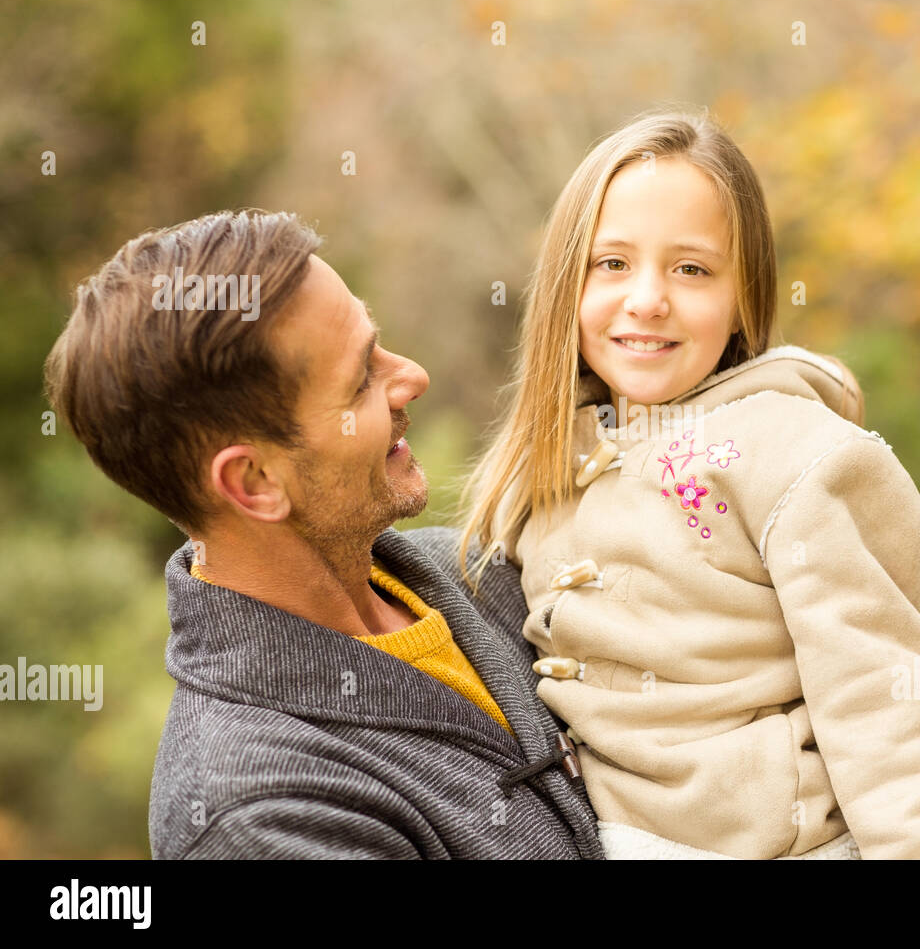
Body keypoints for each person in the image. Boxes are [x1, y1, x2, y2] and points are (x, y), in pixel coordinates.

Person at [459, 108, 920, 859]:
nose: (648, 298)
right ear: (564, 287)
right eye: (612, 263)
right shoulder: (546, 468)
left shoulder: (800, 458)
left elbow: (884, 706)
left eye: (691, 269)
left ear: (744, 296)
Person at [44, 210, 602, 859]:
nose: (412, 376)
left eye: (378, 340)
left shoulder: (484, 570)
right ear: (254, 481)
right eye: (362, 377)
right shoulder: (259, 817)